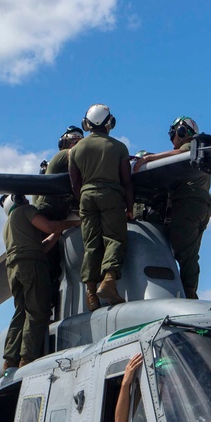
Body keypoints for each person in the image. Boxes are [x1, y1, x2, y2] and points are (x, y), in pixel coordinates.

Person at [133, 116, 210, 298]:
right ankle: (189, 292)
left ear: (182, 132)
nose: (172, 141)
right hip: (200, 207)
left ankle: (189, 294)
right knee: (189, 253)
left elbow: (179, 154)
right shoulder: (196, 154)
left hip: (187, 207)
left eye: (174, 135)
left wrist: (151, 159)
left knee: (184, 253)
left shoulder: (192, 147)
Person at [1, 194, 79, 372]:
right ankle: (27, 358)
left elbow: (41, 246)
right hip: (32, 264)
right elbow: (48, 226)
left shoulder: (8, 225)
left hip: (14, 268)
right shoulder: (24, 210)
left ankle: (10, 359)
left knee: (21, 311)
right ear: (18, 201)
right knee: (37, 311)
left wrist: (57, 233)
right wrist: (73, 223)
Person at [69, 104, 134, 311]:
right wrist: (130, 207)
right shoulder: (119, 147)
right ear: (110, 123)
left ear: (86, 124)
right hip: (111, 195)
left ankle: (90, 294)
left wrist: (83, 200)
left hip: (86, 197)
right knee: (114, 238)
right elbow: (127, 181)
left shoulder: (76, 149)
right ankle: (108, 280)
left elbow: (74, 182)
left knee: (91, 244)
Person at [34, 125, 84, 221]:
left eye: (80, 143)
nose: (77, 146)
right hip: (48, 210)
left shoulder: (80, 166)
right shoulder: (61, 156)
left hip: (64, 212)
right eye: (75, 142)